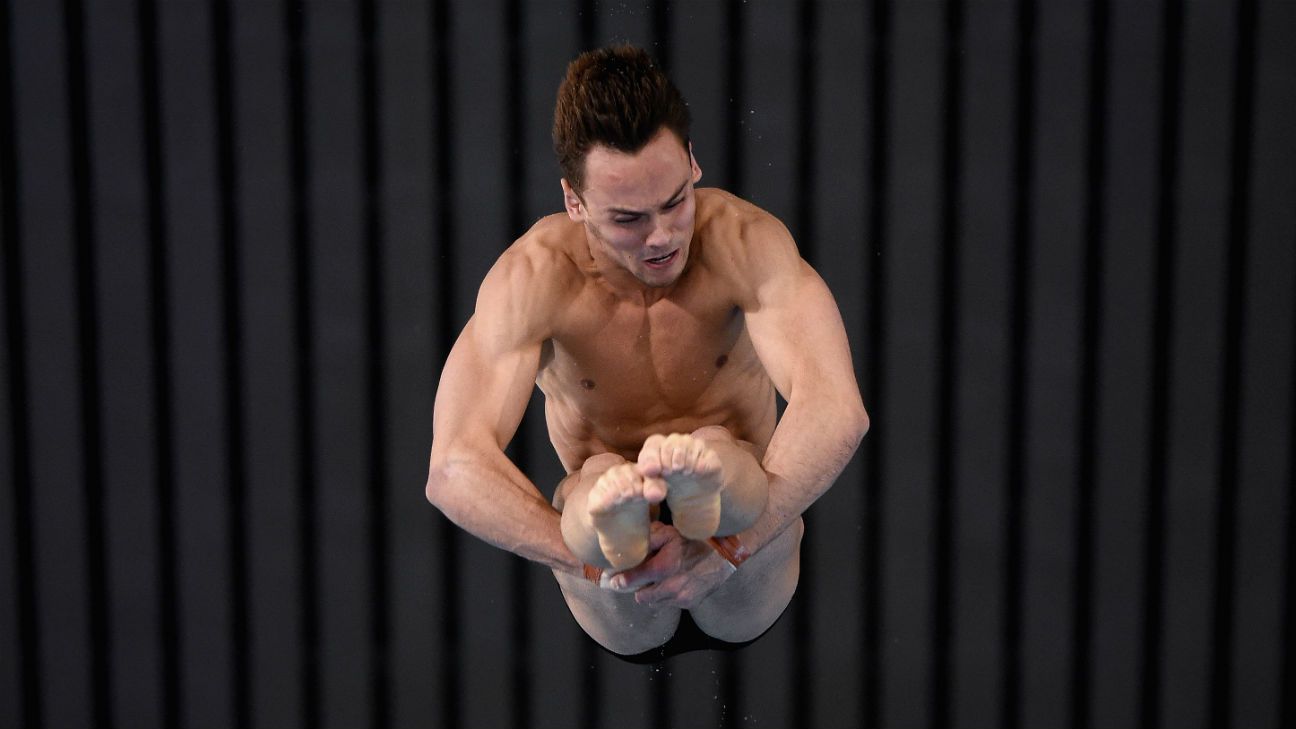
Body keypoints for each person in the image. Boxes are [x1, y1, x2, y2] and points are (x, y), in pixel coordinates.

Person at [425, 44, 869, 662]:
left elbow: (836, 407)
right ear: (574, 202)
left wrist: (729, 550)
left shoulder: (745, 243)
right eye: (628, 219)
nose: (662, 236)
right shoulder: (533, 278)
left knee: (727, 457)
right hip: (620, 591)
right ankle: (614, 513)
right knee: (595, 486)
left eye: (674, 202)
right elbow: (453, 467)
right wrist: (583, 563)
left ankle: (696, 486)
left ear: (691, 163)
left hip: (743, 549)